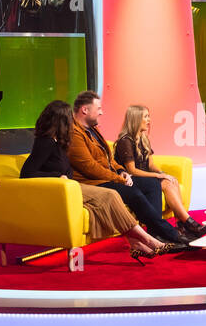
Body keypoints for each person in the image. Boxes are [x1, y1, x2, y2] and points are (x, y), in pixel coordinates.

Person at [21, 101, 178, 262]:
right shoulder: (45, 142)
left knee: (109, 198)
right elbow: (26, 173)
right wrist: (56, 177)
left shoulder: (60, 142)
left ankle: (135, 241)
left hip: (73, 187)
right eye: (69, 118)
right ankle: (148, 239)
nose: (72, 122)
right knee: (110, 196)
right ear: (60, 120)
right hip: (62, 189)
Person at [66, 91, 188, 248]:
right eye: (99, 108)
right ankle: (171, 234)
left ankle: (154, 233)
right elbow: (90, 167)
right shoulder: (74, 133)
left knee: (152, 184)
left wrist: (121, 171)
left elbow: (109, 159)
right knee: (134, 193)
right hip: (95, 182)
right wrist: (119, 178)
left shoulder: (93, 129)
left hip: (110, 177)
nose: (102, 112)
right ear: (85, 110)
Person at [115, 104, 206, 240]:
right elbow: (132, 170)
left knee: (171, 181)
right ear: (136, 119)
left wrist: (163, 173)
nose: (149, 120)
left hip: (146, 179)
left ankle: (182, 223)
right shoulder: (125, 141)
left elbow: (151, 164)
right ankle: (188, 222)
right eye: (145, 117)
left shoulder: (143, 138)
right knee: (164, 182)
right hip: (131, 180)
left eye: (149, 116)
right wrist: (158, 176)